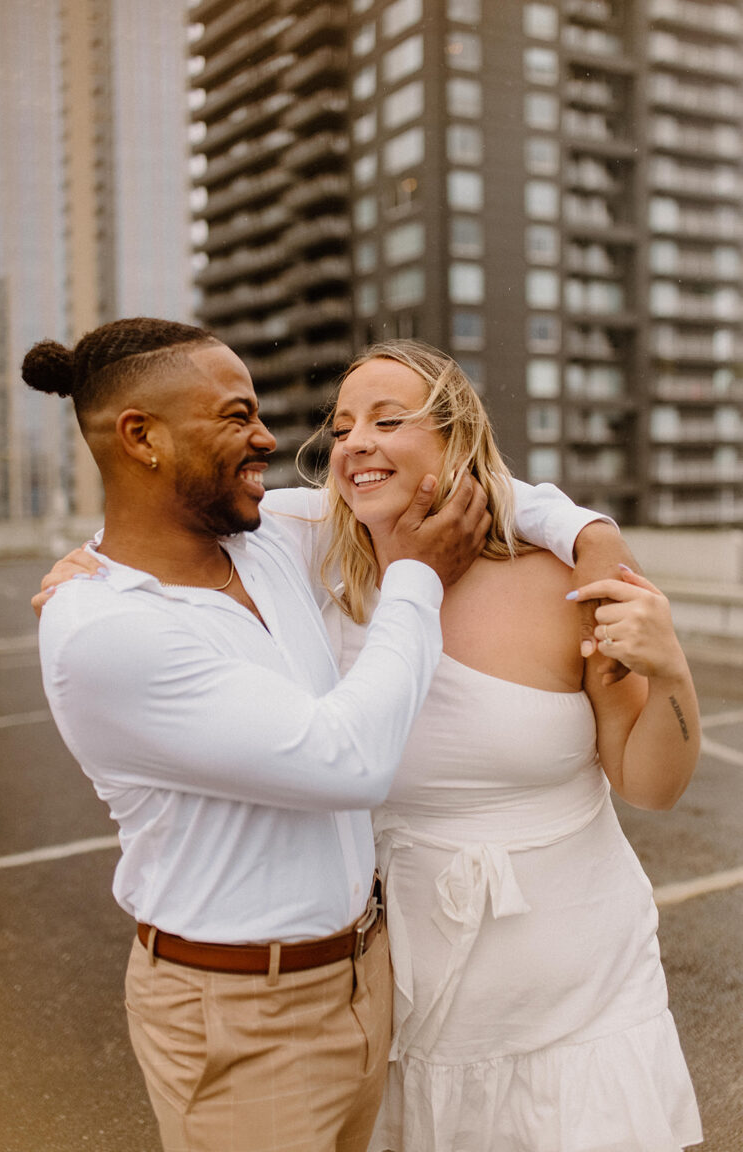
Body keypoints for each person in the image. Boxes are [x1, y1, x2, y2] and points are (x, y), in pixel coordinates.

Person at [24, 319, 628, 1152]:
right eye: (236, 417)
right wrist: (417, 575)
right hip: (240, 1014)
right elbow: (348, 762)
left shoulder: (265, 539)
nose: (269, 438)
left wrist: (592, 535)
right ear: (142, 437)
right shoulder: (106, 630)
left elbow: (445, 482)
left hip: (365, 979)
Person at [261, 340, 700, 1152]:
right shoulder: (311, 578)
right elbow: (186, 522)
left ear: (456, 438)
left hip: (585, 995)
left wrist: (671, 672)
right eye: (344, 424)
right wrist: (100, 568)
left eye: (389, 419)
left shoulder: (559, 580)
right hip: (410, 1001)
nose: (356, 440)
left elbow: (650, 785)